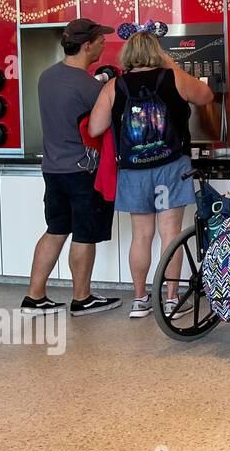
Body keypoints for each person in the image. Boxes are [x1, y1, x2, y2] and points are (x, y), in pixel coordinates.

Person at [88, 27, 214, 319]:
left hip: (133, 170)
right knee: (170, 233)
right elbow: (206, 96)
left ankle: (140, 299)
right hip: (171, 165)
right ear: (158, 53)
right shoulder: (174, 77)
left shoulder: (114, 87)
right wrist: (171, 65)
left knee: (141, 235)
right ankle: (170, 299)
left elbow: (95, 128)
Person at [20, 19, 121, 318]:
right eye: (100, 39)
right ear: (87, 45)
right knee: (84, 234)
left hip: (52, 169)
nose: (104, 43)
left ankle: (34, 297)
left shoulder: (46, 77)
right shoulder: (90, 87)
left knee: (55, 229)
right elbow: (103, 126)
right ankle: (82, 298)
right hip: (83, 171)